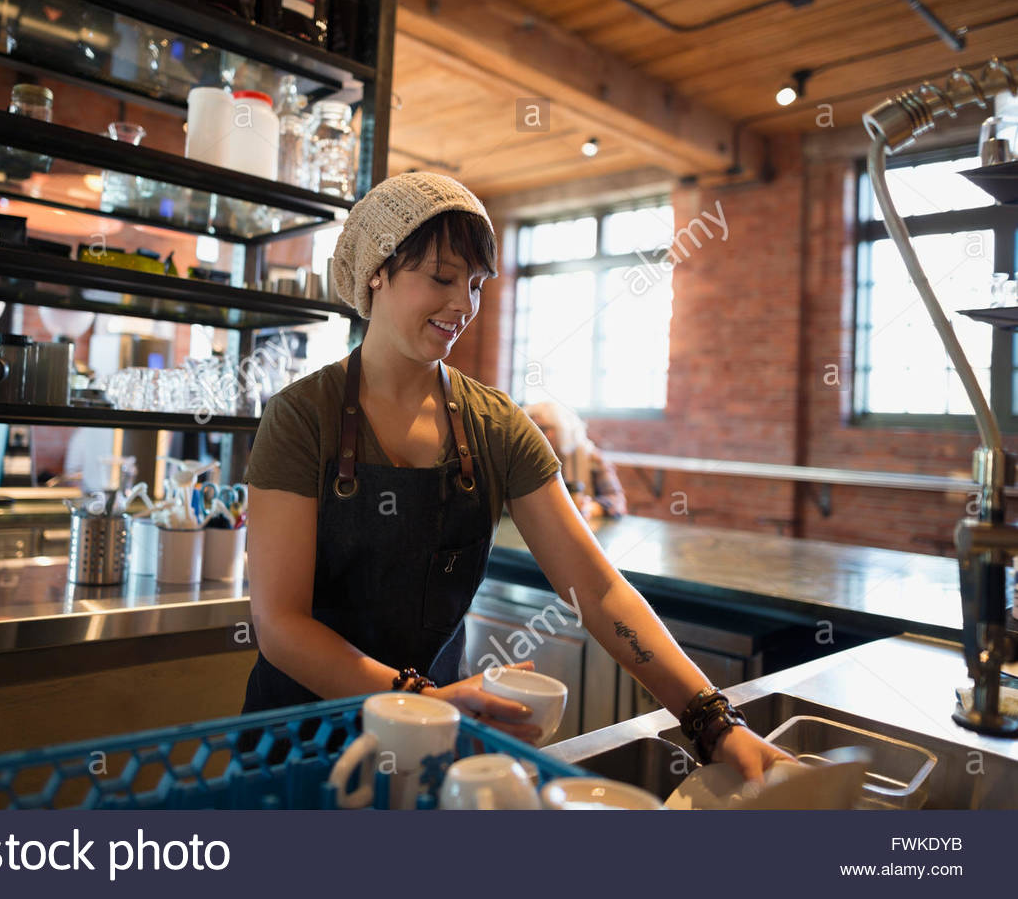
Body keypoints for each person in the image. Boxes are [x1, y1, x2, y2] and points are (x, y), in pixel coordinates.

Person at [241, 172, 791, 780]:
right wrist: (423, 699)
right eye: (442, 278)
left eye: (476, 284)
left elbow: (599, 591)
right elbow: (280, 624)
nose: (464, 305)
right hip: (298, 744)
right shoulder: (301, 417)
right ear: (377, 270)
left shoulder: (496, 427)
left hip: (433, 749)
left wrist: (712, 720)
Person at [525, 401, 627, 519]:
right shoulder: (527, 460)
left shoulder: (592, 457)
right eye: (531, 429)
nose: (535, 436)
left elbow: (617, 501)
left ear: (562, 429)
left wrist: (590, 508)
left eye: (542, 429)